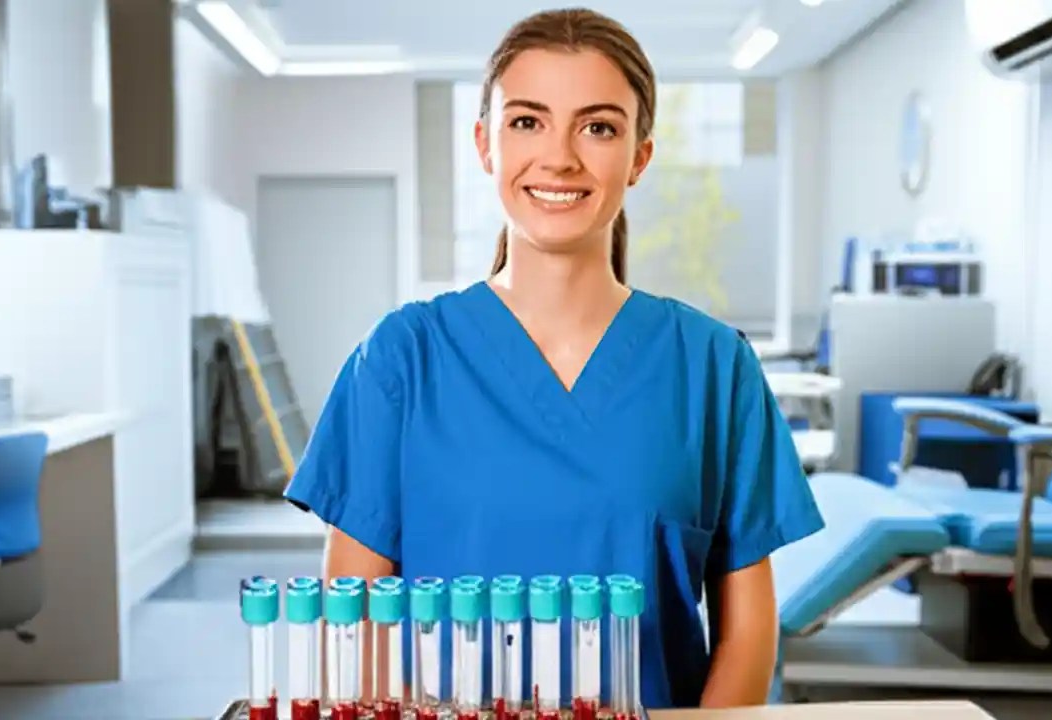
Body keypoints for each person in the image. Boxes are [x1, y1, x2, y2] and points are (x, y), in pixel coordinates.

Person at [283, 7, 824, 709]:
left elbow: (746, 635)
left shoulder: (715, 368)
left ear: (639, 156)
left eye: (598, 127)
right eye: (527, 121)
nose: (561, 157)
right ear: (485, 144)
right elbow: (350, 621)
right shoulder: (401, 360)